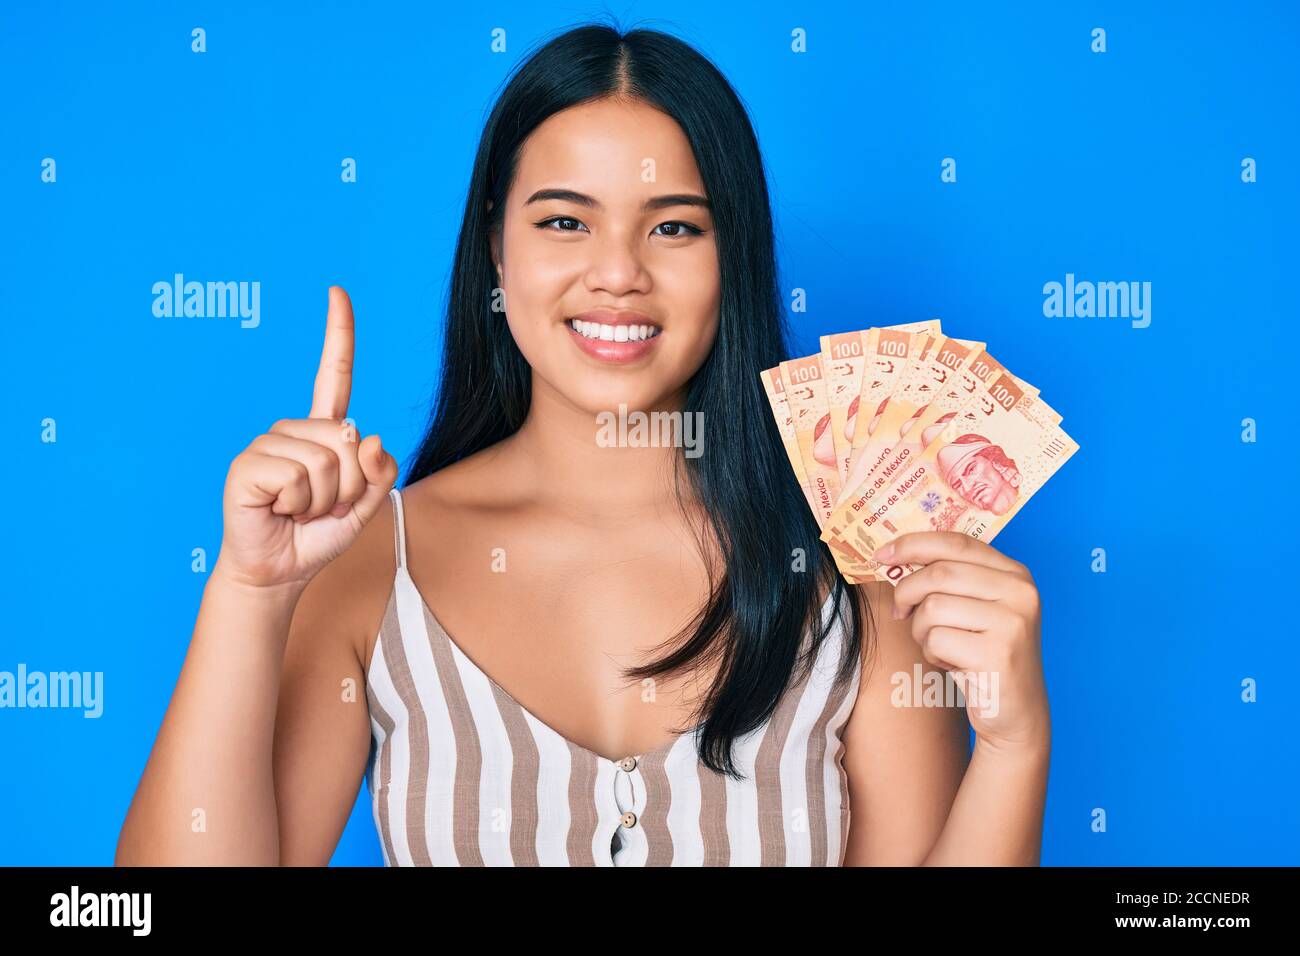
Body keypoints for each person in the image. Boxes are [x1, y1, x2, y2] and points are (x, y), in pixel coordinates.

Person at [115, 21, 1049, 867]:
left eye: (675, 227)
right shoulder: (369, 562)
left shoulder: (857, 563)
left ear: (736, 257)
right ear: (496, 247)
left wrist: (1014, 748)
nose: (617, 274)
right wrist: (250, 591)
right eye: (565, 220)